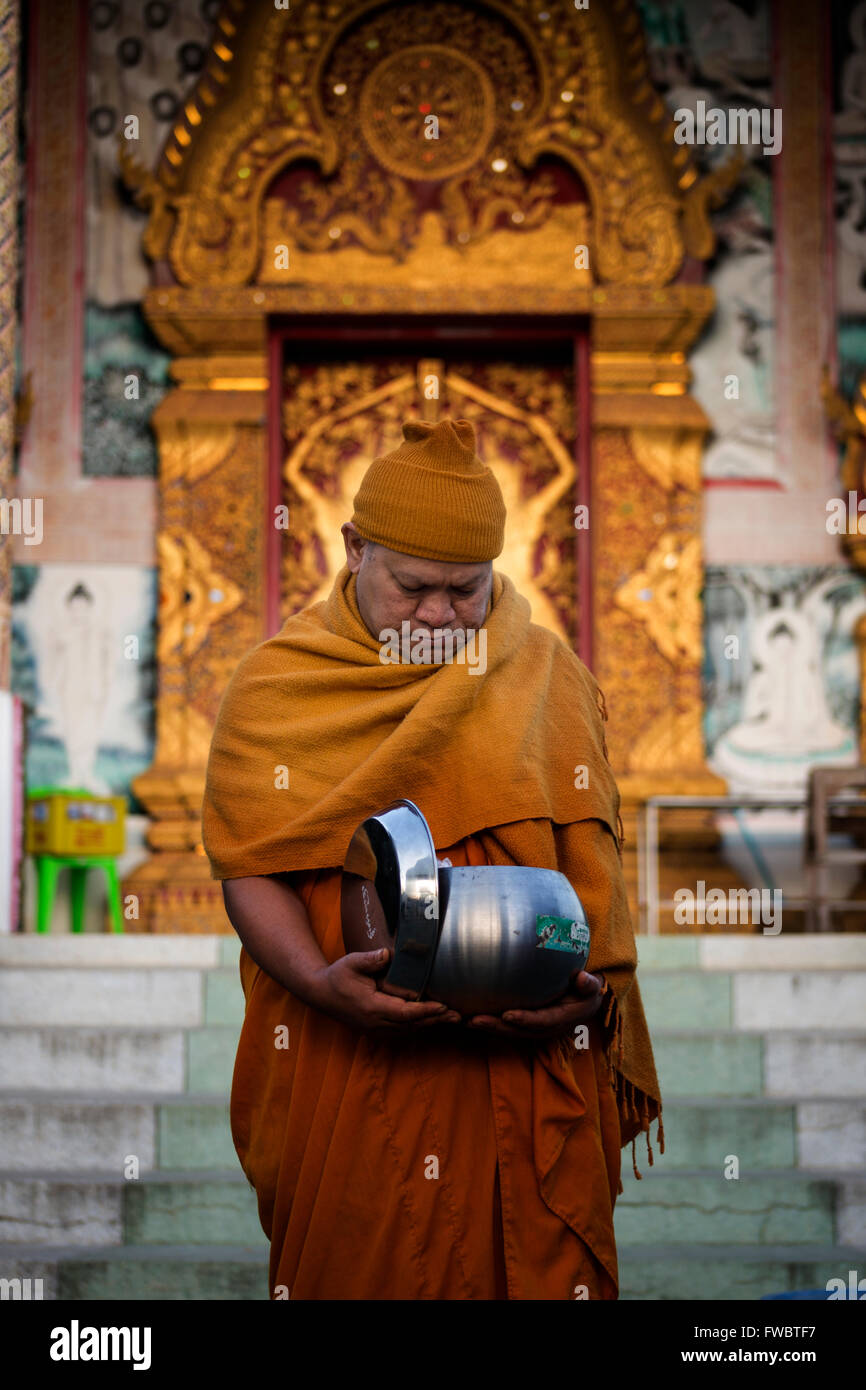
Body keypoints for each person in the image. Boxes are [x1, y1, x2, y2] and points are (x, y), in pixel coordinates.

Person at [201, 416, 664, 1300]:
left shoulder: (543, 675)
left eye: (466, 589)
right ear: (353, 550)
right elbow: (248, 864)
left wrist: (584, 994)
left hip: (524, 1065)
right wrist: (317, 983)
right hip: (350, 1056)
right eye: (414, 586)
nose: (440, 615)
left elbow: (591, 864)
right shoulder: (279, 686)